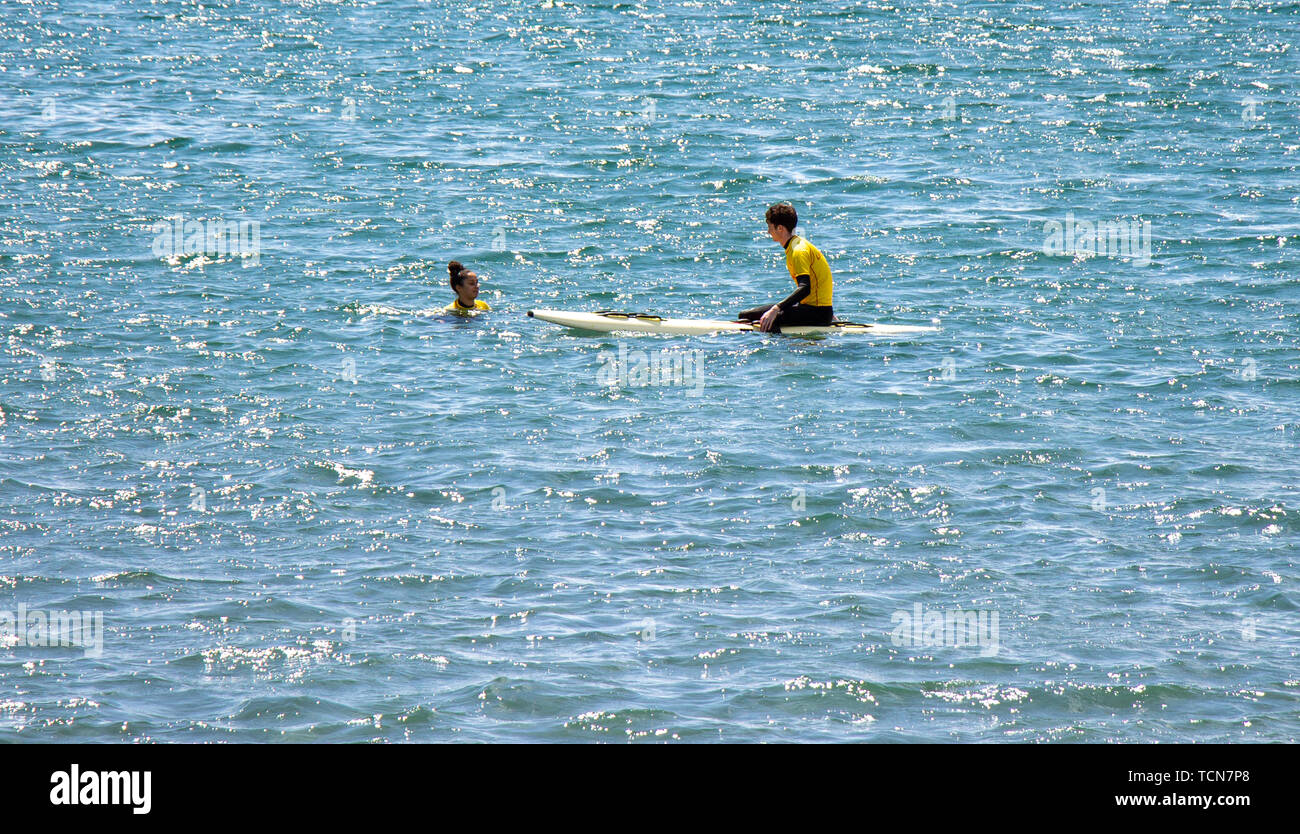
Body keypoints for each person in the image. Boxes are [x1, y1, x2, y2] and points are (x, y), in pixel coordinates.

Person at [738, 202, 833, 332]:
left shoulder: (798, 250)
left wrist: (776, 309)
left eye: (770, 227)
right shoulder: (793, 245)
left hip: (818, 313)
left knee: (769, 320)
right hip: (812, 309)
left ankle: (783, 349)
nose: (768, 232)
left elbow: (805, 288)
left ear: (780, 228)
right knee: (745, 315)